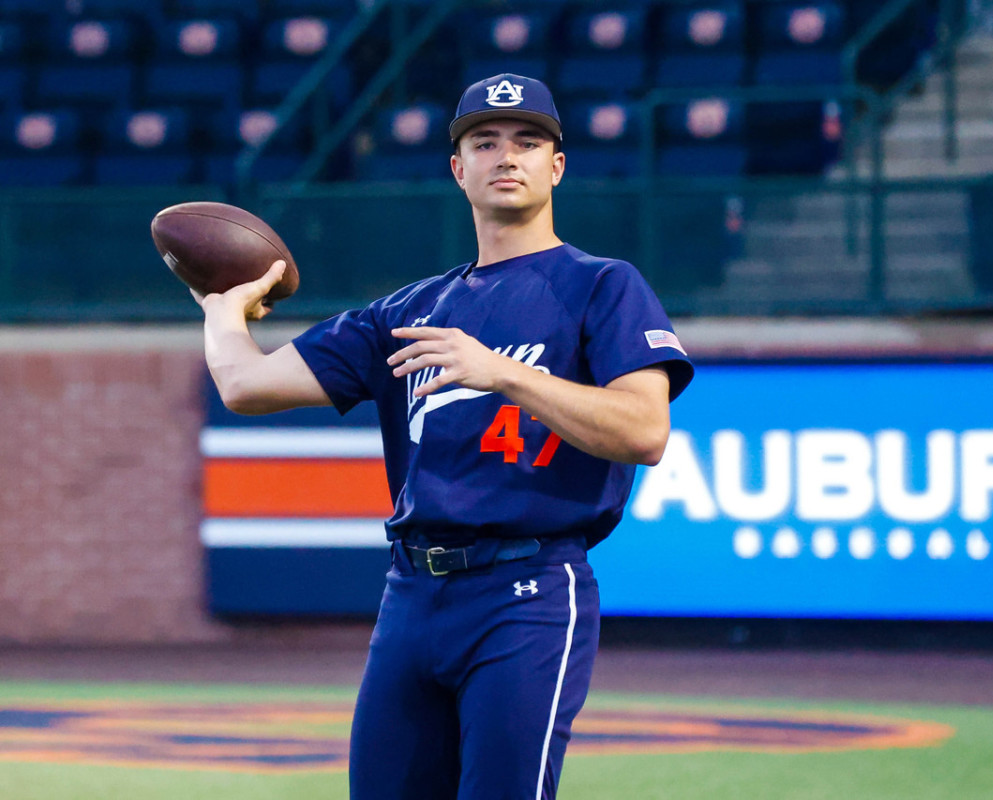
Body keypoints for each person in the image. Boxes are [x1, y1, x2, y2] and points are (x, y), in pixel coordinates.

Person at [193, 73, 693, 799]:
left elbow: (646, 431)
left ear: (557, 165)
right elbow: (245, 386)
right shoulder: (410, 309)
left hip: (528, 590)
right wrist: (220, 309)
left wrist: (504, 374)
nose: (506, 156)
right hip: (410, 595)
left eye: (528, 141)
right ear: (459, 170)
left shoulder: (604, 285)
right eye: (484, 143)